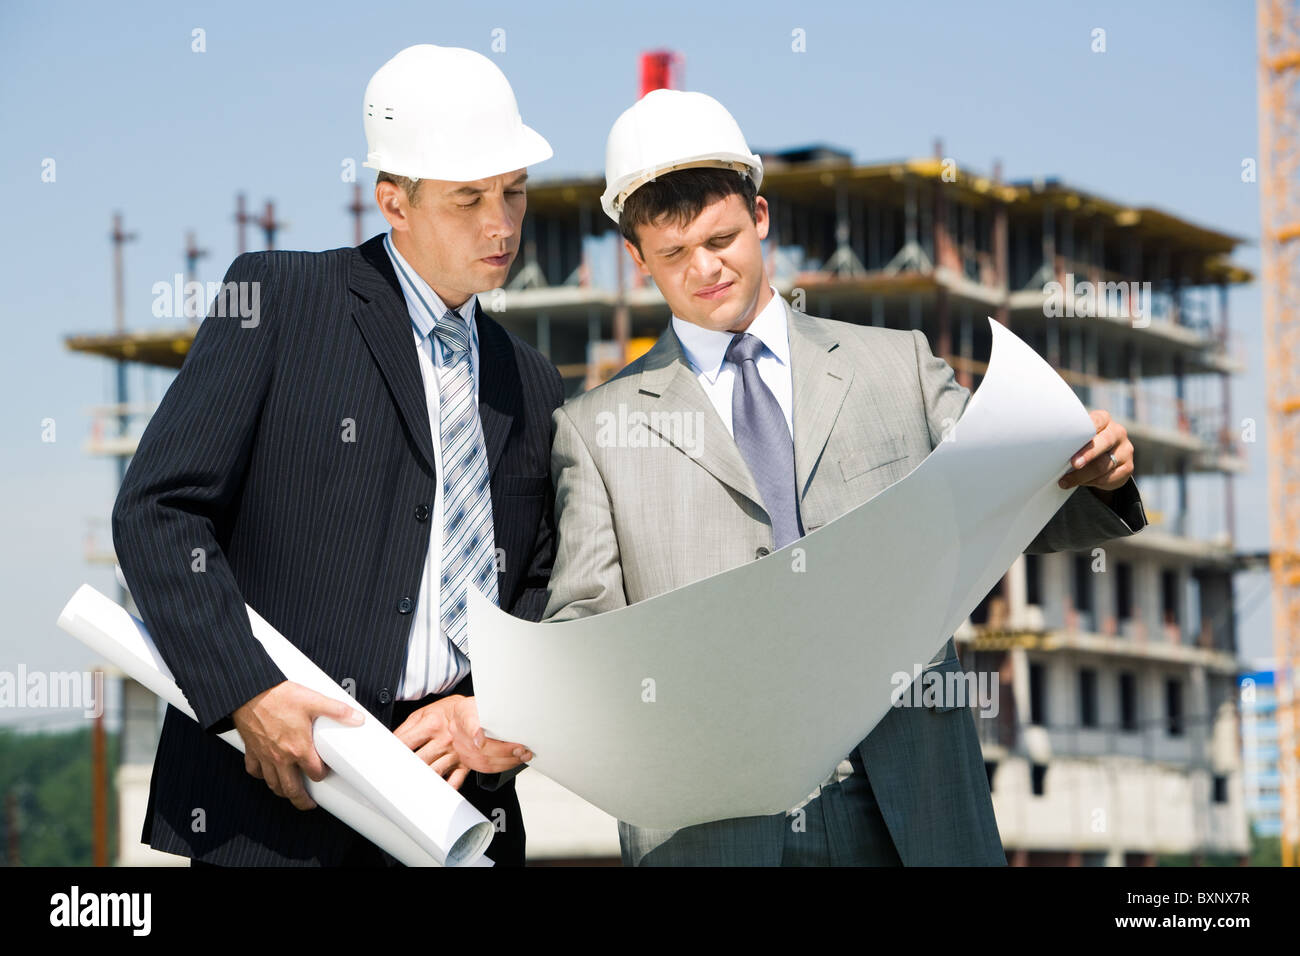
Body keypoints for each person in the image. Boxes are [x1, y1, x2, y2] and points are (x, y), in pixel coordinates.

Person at [542, 89, 1149, 866]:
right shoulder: (595, 432)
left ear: (761, 216)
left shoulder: (897, 368)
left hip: (910, 808)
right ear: (635, 259)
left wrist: (1095, 477)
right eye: (672, 255)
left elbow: (1014, 499)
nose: (704, 270)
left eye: (722, 239)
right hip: (717, 828)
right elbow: (583, 636)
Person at [111, 44, 563, 867]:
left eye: (514, 193)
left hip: (460, 805)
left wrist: (495, 710)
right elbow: (158, 509)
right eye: (469, 198)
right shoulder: (281, 301)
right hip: (274, 799)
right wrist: (244, 691)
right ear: (394, 200)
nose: (501, 225)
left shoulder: (531, 381)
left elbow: (540, 578)